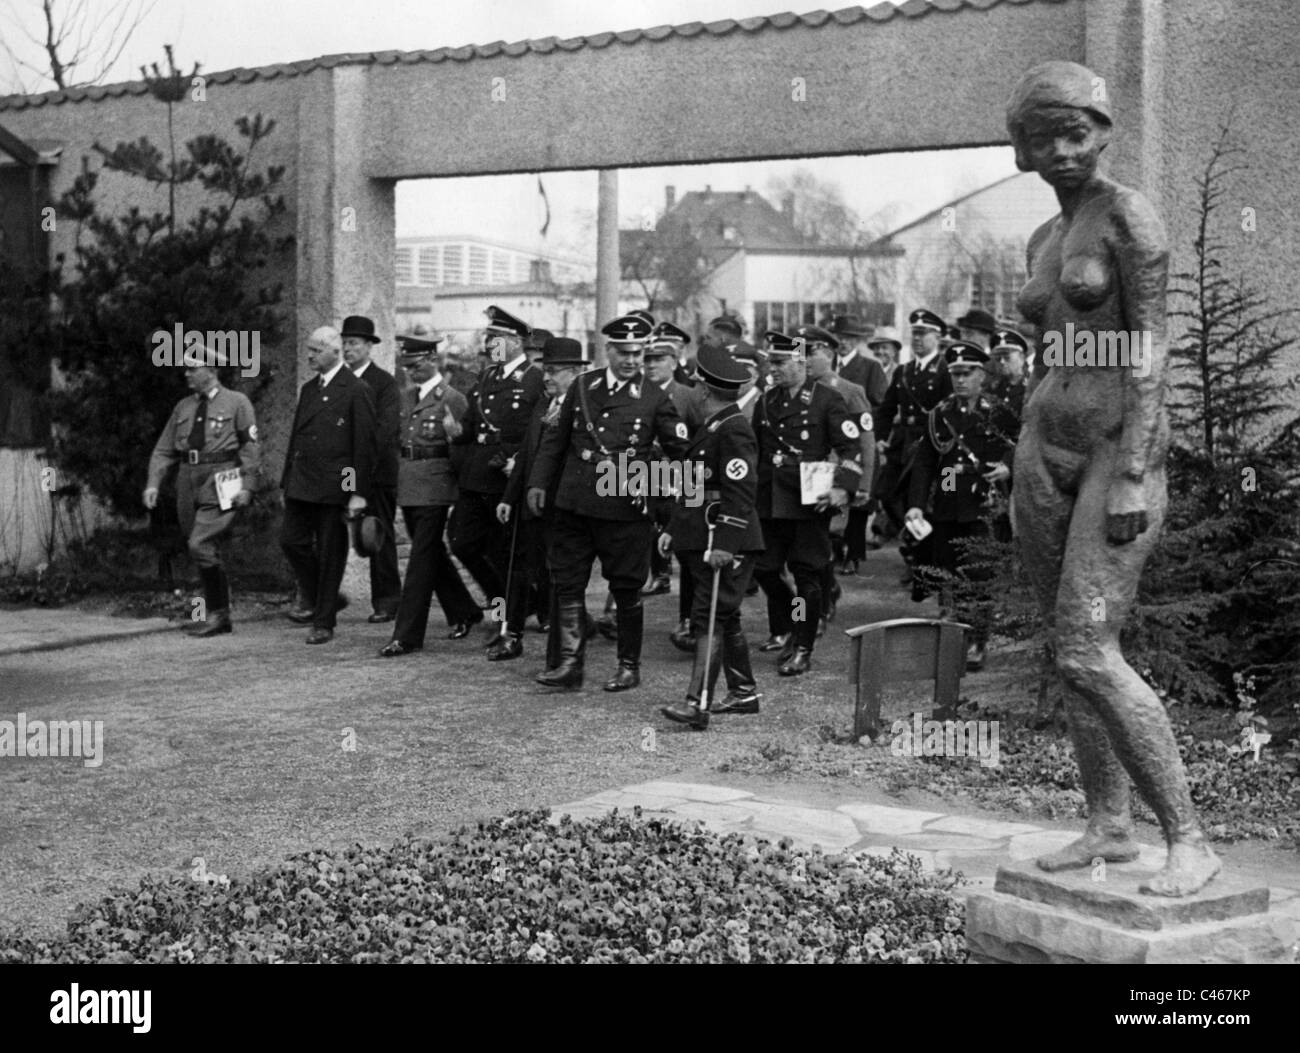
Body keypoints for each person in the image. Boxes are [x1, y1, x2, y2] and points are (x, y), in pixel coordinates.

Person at [1007, 60, 1219, 896]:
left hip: (1112, 453)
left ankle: (1191, 840)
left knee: (1089, 647)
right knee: (1067, 657)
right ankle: (1109, 822)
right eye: (1042, 136)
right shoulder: (1043, 238)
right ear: (1019, 148)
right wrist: (1025, 447)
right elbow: (1048, 351)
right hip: (1044, 450)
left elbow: (1151, 348)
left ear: (1103, 131)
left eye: (1078, 131)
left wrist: (1134, 466)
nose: (1063, 149)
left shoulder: (1128, 216)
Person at [527, 313, 689, 691]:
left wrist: (687, 503)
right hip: (574, 499)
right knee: (567, 582)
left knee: (626, 588)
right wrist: (538, 483)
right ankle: (569, 664)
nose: (632, 360)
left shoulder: (653, 397)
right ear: (609, 350)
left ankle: (628, 666)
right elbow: (556, 441)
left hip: (623, 503)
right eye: (624, 353)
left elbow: (680, 451)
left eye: (638, 353)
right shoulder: (584, 386)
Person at [660, 342, 766, 730]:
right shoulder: (717, 426)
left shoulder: (734, 429)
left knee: (707, 618)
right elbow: (693, 484)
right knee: (725, 616)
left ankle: (697, 703)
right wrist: (674, 527)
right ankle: (744, 693)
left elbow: (741, 493)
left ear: (705, 390)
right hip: (703, 535)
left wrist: (725, 544)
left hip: (723, 541)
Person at [751, 330, 863, 676]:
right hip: (770, 500)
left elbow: (851, 450)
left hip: (807, 502)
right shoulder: (767, 401)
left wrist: (843, 489)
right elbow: (756, 450)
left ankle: (802, 643)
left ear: (801, 362)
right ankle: (791, 621)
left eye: (781, 362)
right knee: (765, 569)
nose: (774, 368)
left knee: (807, 578)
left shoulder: (827, 399)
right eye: (771, 362)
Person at [904, 341, 1018, 670]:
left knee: (979, 575)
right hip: (948, 502)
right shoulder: (940, 414)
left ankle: (977, 642)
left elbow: (1023, 441)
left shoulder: (999, 410)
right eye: (955, 374)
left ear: (982, 375)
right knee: (951, 574)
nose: (960, 380)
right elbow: (925, 462)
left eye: (967, 373)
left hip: (984, 503)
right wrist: (915, 505)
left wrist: (1009, 465)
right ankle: (957, 636)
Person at [144, 344, 260, 637]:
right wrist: (153, 483)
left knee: (200, 544)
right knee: (198, 545)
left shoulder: (237, 402)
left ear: (211, 371)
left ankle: (219, 615)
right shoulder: (183, 407)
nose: (187, 374)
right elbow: (163, 449)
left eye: (193, 368)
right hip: (187, 479)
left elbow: (250, 447)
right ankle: (214, 610)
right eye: (186, 368)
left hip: (220, 478)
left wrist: (248, 486)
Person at [378, 334, 480, 656]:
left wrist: (459, 493)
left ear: (433, 360)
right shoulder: (406, 397)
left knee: (420, 561)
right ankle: (464, 610)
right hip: (409, 483)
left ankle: (406, 635)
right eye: (406, 366)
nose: (410, 371)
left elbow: (463, 449)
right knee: (431, 553)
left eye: (415, 365)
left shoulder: (452, 398)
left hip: (437, 485)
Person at [450, 306, 545, 643]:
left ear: (517, 342)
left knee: (506, 553)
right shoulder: (488, 377)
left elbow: (539, 433)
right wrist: (455, 429)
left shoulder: (534, 380)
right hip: (477, 472)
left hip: (507, 476)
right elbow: (471, 428)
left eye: (497, 339)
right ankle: (509, 602)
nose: (490, 344)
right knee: (462, 542)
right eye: (489, 338)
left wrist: (519, 462)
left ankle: (509, 618)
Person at [280, 325, 377, 644]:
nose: (309, 355)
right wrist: (286, 483)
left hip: (335, 486)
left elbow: (362, 446)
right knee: (291, 541)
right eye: (308, 349)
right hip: (302, 483)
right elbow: (296, 437)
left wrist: (356, 493)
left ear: (335, 352)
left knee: (331, 552)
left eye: (316, 350)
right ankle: (327, 597)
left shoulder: (355, 388)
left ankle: (324, 621)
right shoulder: (309, 389)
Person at [497, 335, 591, 664]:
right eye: (544, 370)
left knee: (561, 574)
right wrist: (510, 497)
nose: (548, 377)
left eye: (555, 371)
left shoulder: (584, 408)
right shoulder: (542, 403)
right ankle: (511, 636)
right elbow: (527, 454)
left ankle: (570, 639)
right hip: (531, 503)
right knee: (520, 569)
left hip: (564, 508)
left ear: (576, 373)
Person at [873, 308, 953, 584]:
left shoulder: (945, 370)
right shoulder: (905, 371)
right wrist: (880, 436)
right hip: (902, 441)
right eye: (915, 334)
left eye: (923, 334)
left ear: (937, 337)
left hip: (930, 441)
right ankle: (914, 549)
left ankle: (920, 560)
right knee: (885, 493)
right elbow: (886, 408)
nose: (918, 339)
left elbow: (950, 411)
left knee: (920, 502)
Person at [801, 324, 877, 581]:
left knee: (829, 536)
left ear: (829, 354)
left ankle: (829, 585)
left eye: (811, 353)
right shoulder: (796, 390)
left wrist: (864, 485)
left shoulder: (849, 391)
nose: (805, 359)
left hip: (838, 472)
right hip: (805, 473)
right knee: (808, 544)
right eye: (801, 353)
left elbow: (866, 443)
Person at [341, 315, 402, 624]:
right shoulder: (341, 381)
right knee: (340, 534)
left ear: (368, 347)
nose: (347, 349)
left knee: (377, 534)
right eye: (344, 343)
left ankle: (388, 600)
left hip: (378, 474)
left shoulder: (384, 383)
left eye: (353, 343)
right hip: (346, 472)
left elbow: (382, 434)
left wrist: (361, 482)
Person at [643, 321, 702, 599]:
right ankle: (659, 575)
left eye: (659, 360)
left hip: (679, 475)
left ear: (674, 361)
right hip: (644, 474)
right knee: (647, 530)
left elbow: (700, 438)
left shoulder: (687, 395)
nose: (652, 365)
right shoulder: (638, 394)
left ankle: (689, 614)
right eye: (648, 360)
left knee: (686, 541)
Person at [830, 314, 889, 407]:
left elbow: (881, 406)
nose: (843, 342)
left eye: (848, 338)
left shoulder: (872, 368)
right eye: (840, 337)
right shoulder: (826, 365)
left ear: (857, 340)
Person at [986, 326, 1030, 420]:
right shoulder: (992, 387)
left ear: (1022, 357)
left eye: (1007, 357)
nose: (1002, 362)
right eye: (998, 358)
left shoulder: (1032, 387)